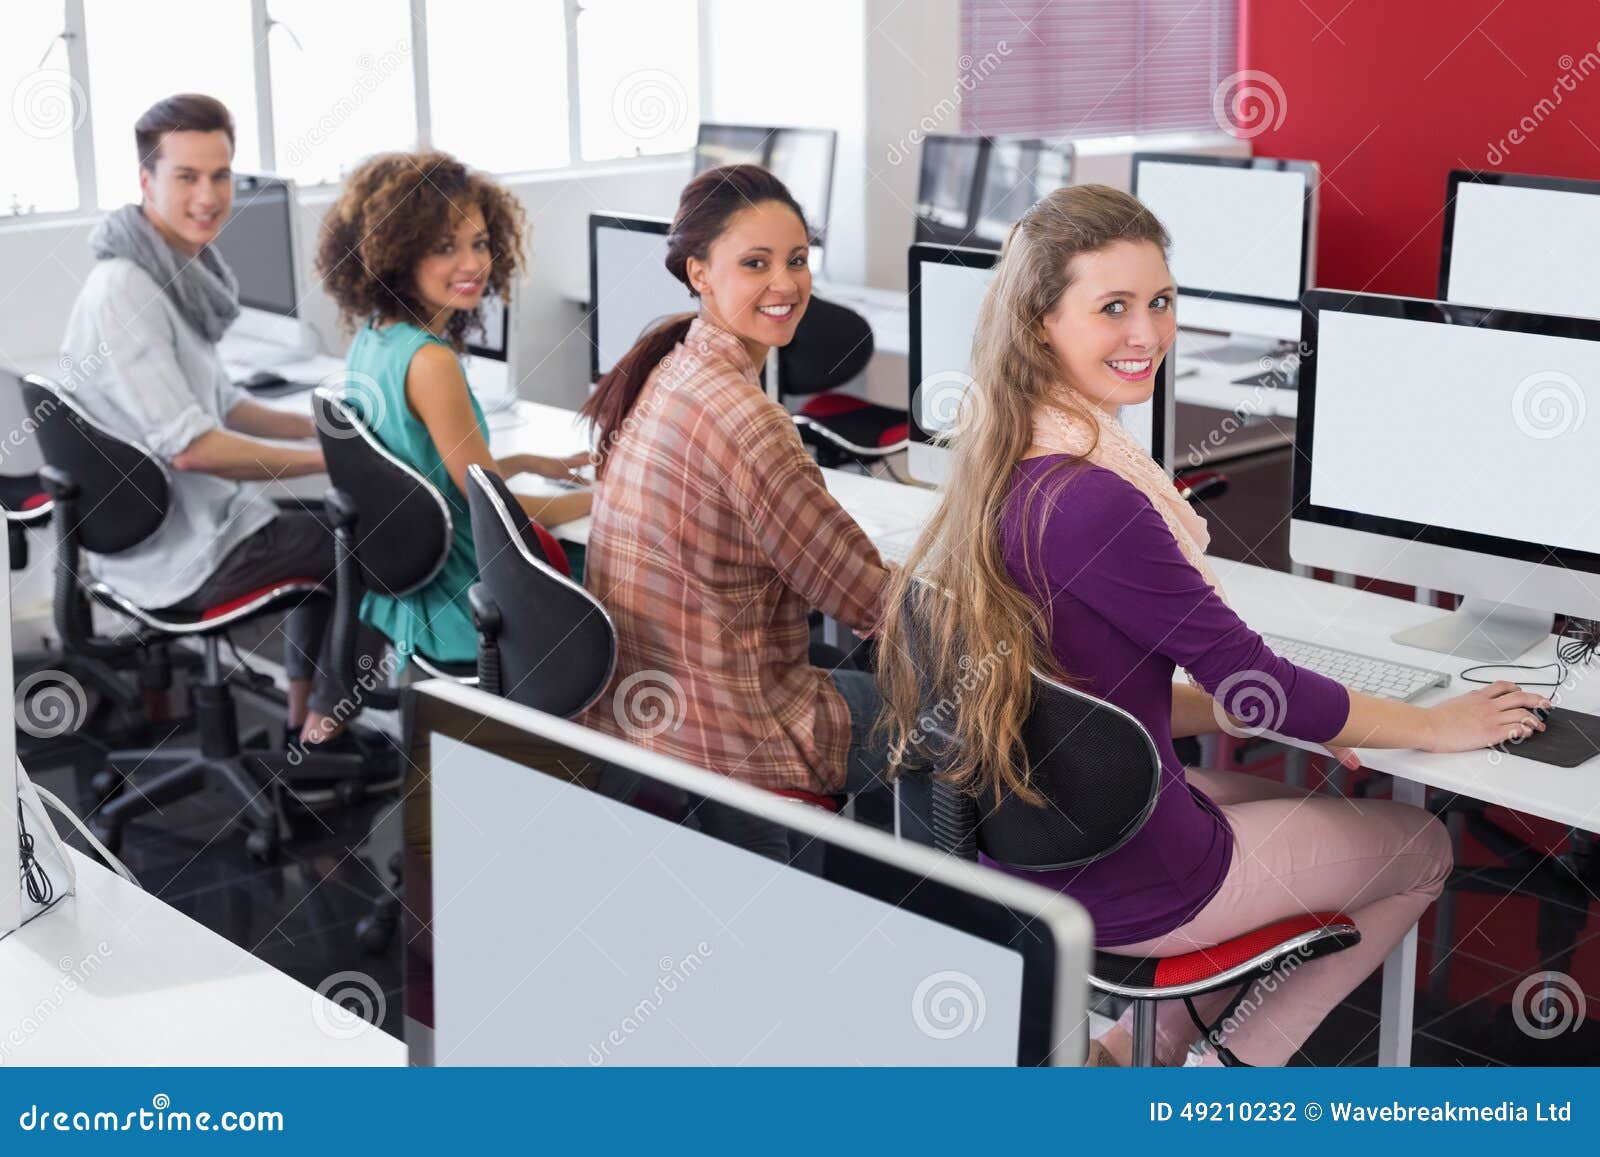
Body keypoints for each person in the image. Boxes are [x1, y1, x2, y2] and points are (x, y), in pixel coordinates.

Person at [874, 184, 1550, 1066]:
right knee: (1419, 844)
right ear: (1042, 322)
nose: (1147, 333)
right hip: (1125, 875)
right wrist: (1431, 724)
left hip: (1036, 843)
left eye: (1160, 301)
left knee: (1294, 801)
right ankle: (1225, 1080)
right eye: (1112, 307)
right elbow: (1258, 680)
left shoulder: (1000, 459)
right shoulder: (1093, 500)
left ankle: (1132, 1057)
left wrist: (1257, 710)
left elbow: (1102, 695)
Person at [577, 164, 905, 858]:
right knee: (962, 717)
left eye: (797, 261)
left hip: (644, 716)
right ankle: (922, 915)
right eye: (755, 263)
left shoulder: (668, 366)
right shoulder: (746, 420)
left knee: (871, 666)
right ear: (699, 271)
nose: (785, 284)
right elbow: (868, 599)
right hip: (735, 731)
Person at [58, 93, 349, 745]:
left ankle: (305, 720)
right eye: (186, 176)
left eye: (220, 175)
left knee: (337, 525)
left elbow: (227, 407)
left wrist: (322, 428)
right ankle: (325, 738)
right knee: (368, 542)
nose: (208, 195)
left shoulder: (173, 271)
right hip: (179, 552)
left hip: (176, 530)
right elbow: (191, 447)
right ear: (146, 182)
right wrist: (331, 463)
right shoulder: (129, 291)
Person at [316, 150, 589, 673]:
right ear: (398, 254)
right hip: (469, 602)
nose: (472, 264)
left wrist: (529, 461)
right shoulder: (431, 362)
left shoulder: (375, 340)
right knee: (616, 569)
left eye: (480, 243)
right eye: (444, 248)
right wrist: (604, 499)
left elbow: (435, 476)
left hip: (415, 596)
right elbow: (496, 511)